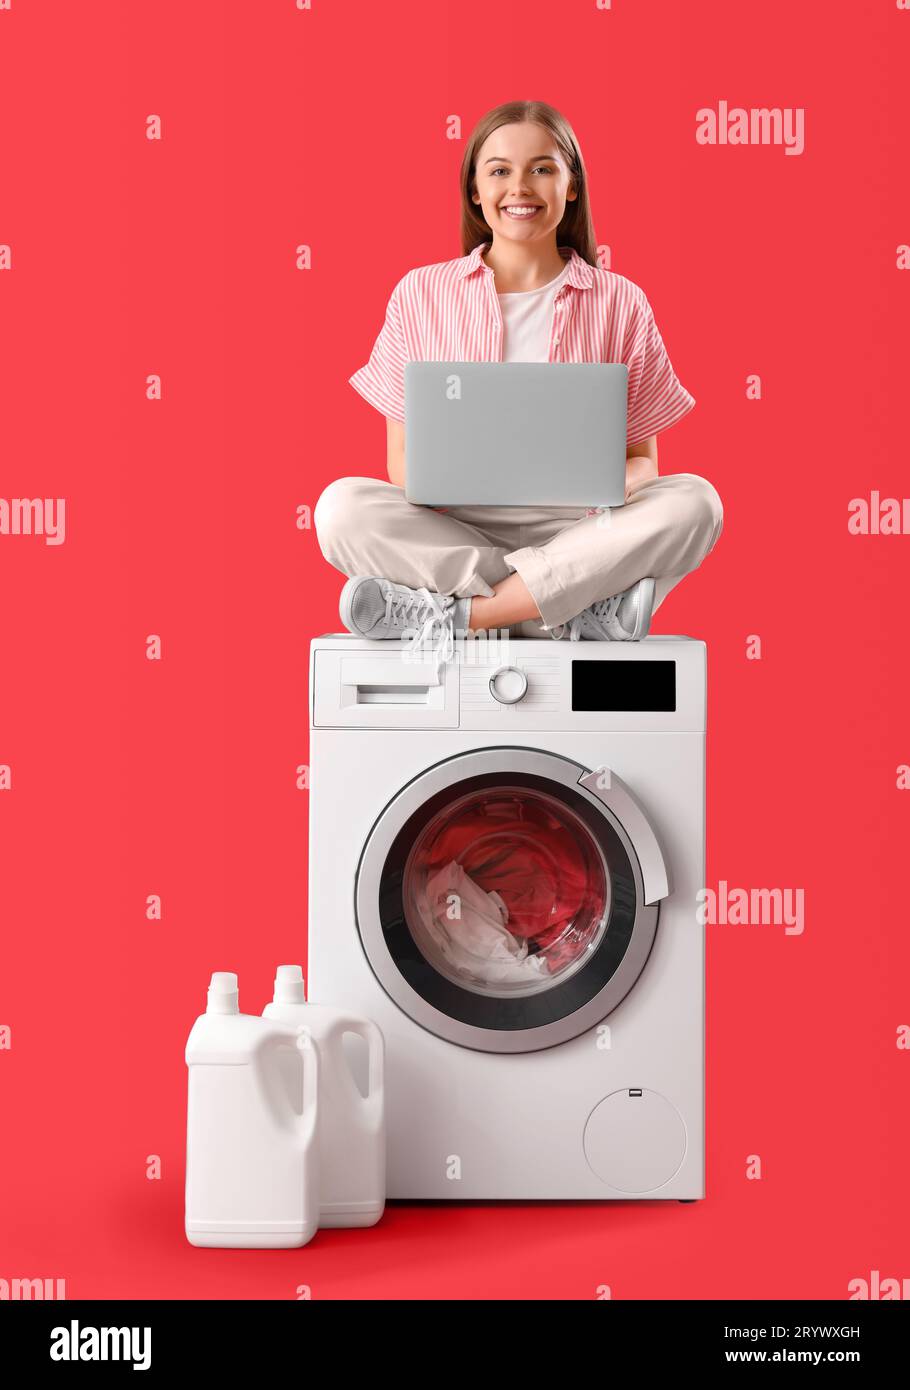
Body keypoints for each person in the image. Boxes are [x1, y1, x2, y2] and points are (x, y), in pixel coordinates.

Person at [315, 99, 723, 652]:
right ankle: (571, 605)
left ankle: (462, 617)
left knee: (696, 502)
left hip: (582, 530)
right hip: (455, 530)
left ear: (571, 186)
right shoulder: (420, 294)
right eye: (500, 170)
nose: (520, 187)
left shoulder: (621, 302)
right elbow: (401, 463)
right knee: (341, 508)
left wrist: (611, 486)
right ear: (475, 192)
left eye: (542, 168)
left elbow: (645, 461)